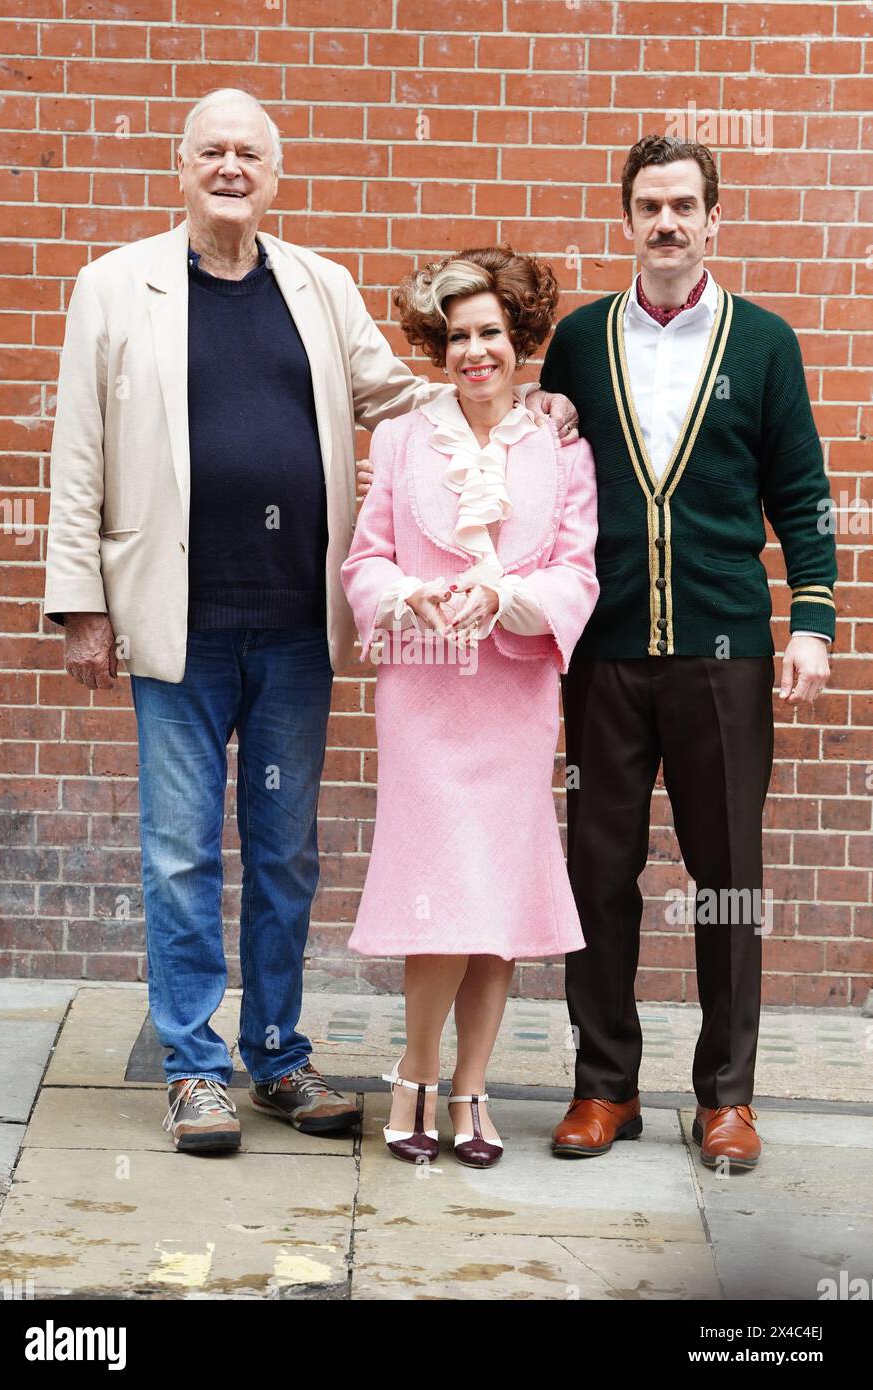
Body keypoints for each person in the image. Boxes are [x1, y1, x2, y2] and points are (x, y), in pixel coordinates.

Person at [43, 89, 578, 1155]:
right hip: (176, 623)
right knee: (182, 851)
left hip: (295, 622)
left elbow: (396, 392)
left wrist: (525, 406)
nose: (231, 166)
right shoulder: (113, 288)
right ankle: (196, 1068)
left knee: (285, 851)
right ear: (180, 165)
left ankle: (279, 1056)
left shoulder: (318, 286)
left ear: (275, 175)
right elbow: (79, 449)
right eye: (213, 151)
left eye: (251, 152)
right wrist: (80, 604)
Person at [540, 135, 837, 1170]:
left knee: (728, 878)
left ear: (713, 219)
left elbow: (799, 491)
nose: (665, 223)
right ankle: (602, 1085)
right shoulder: (579, 342)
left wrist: (810, 621)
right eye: (647, 206)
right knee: (598, 874)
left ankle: (727, 1097)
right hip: (605, 651)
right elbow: (547, 481)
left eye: (683, 206)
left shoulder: (762, 344)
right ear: (624, 220)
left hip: (724, 656)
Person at [341, 247, 599, 1168]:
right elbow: (364, 561)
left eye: (491, 332)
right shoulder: (403, 438)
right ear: (436, 345)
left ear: (520, 339)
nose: (475, 352)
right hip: (422, 695)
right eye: (457, 336)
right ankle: (413, 1070)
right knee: (436, 889)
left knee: (497, 898)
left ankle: (469, 1087)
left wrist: (504, 600)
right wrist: (409, 595)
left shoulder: (562, 447)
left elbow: (577, 572)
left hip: (513, 693)